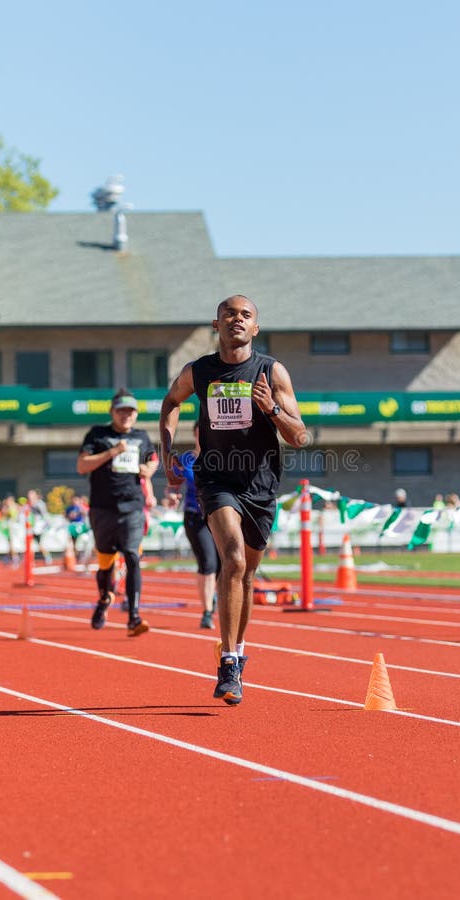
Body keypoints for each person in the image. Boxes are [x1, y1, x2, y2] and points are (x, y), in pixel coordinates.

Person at [160, 294, 307, 705]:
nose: (236, 320)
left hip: (260, 484)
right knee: (233, 558)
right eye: (229, 314)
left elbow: (300, 435)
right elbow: (171, 402)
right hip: (215, 479)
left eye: (245, 315)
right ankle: (227, 661)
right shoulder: (200, 371)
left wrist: (272, 408)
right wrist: (167, 450)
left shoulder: (271, 371)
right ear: (216, 324)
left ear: (255, 328)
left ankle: (238, 652)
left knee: (246, 574)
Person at [77, 388, 158, 637]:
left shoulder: (142, 436)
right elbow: (82, 466)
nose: (126, 415)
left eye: (131, 411)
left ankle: (134, 616)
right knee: (105, 564)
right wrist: (112, 452)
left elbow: (153, 459)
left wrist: (149, 470)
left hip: (133, 505)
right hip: (103, 508)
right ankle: (104, 600)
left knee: (133, 556)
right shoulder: (97, 435)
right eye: (121, 410)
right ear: (112, 412)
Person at [172, 420, 220, 630]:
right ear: (194, 435)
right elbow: (172, 486)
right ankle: (207, 613)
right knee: (208, 563)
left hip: (219, 517)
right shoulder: (186, 459)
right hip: (195, 517)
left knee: (223, 565)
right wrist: (171, 496)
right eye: (200, 433)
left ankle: (214, 597)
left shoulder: (221, 459)